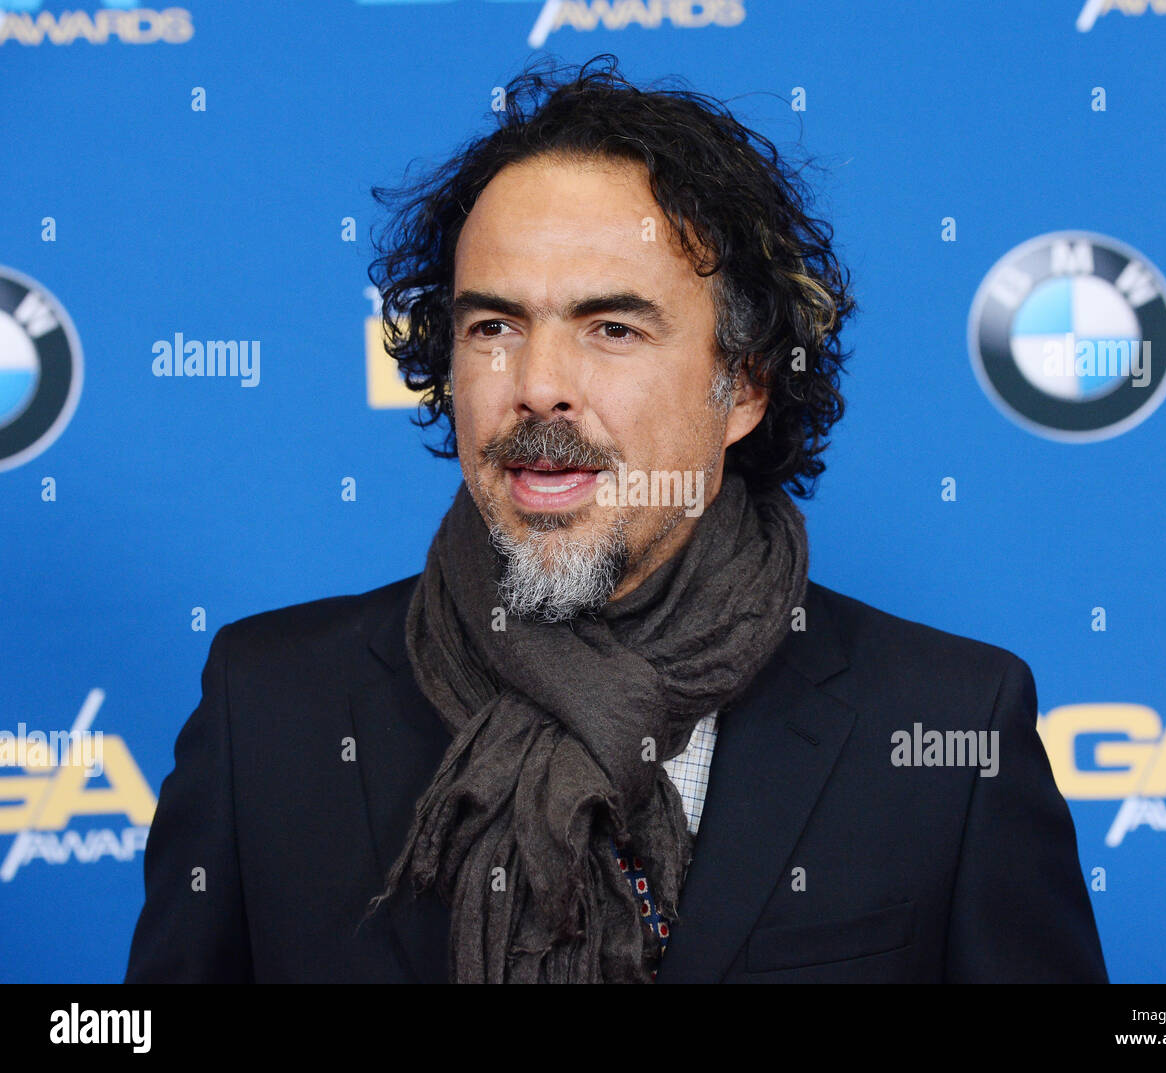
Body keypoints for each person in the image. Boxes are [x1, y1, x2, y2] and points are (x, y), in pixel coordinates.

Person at [125, 55, 1107, 984]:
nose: (538, 386)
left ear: (746, 385)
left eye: (612, 328)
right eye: (493, 326)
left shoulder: (946, 721)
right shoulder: (270, 709)